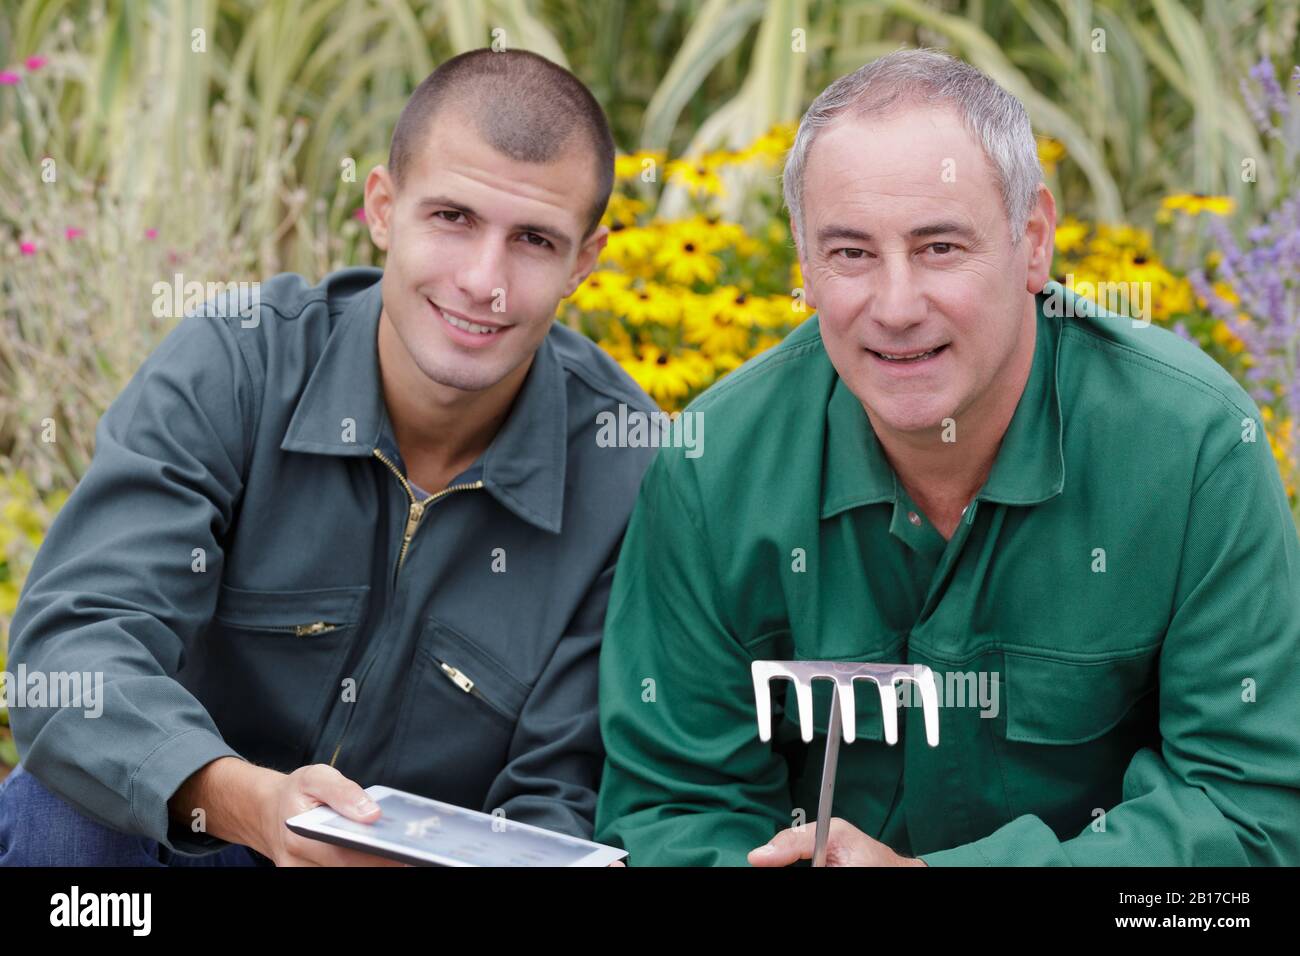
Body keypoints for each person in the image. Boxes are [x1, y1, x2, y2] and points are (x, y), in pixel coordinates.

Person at [593, 47, 1300, 866]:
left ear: (1033, 241)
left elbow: (1251, 820)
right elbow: (671, 809)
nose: (895, 308)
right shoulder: (709, 471)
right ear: (806, 264)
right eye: (851, 254)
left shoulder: (1194, 449)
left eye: (939, 249)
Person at [2, 48, 656, 866]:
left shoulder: (627, 471)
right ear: (382, 208)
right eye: (451, 218)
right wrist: (250, 805)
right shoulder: (237, 365)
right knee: (60, 812)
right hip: (201, 841)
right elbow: (78, 650)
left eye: (532, 239)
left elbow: (561, 795)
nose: (483, 279)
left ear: (583, 262)